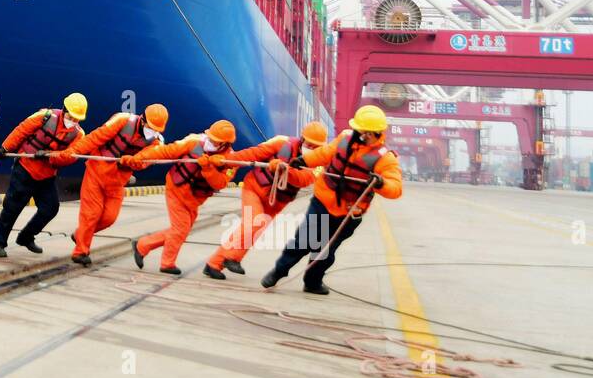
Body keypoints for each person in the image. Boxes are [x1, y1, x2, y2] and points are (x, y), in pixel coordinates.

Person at [261, 105, 402, 295]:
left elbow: (396, 188)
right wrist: (304, 160)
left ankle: (312, 282)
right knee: (303, 241)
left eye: (361, 130)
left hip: (349, 213)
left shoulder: (386, 159)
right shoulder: (344, 139)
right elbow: (325, 153)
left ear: (372, 134)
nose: (357, 132)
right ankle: (278, 272)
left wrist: (380, 183)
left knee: (325, 251)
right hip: (323, 200)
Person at [127, 121, 287, 275]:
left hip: (194, 200)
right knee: (180, 230)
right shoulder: (193, 141)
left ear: (225, 144)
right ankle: (167, 264)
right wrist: (140, 157)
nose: (211, 142)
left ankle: (142, 245)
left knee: (179, 232)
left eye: (216, 141)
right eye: (211, 138)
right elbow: (165, 151)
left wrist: (208, 168)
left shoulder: (230, 160)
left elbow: (220, 183)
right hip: (176, 190)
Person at [203, 121, 329, 280]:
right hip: (254, 188)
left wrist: (284, 169)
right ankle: (232, 258)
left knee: (253, 230)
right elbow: (252, 154)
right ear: (302, 139)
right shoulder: (281, 143)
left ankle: (213, 265)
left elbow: (304, 179)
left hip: (277, 201)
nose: (311, 148)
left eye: (315, 146)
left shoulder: (321, 162)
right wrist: (224, 160)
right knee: (254, 222)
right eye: (309, 144)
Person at [49, 104, 168, 266]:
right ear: (143, 119)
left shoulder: (157, 141)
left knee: (109, 218)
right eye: (151, 127)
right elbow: (95, 138)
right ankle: (81, 251)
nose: (153, 131)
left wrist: (134, 161)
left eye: (157, 129)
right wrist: (71, 153)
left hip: (117, 182)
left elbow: (148, 158)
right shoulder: (123, 120)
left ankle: (79, 235)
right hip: (96, 173)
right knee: (91, 214)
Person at [0, 93, 87, 258]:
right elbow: (21, 130)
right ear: (64, 110)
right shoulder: (45, 117)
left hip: (47, 175)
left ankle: (26, 237)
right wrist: (5, 148)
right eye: (72, 117)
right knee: (12, 207)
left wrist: (50, 155)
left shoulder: (78, 135)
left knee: (51, 208)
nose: (74, 121)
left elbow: (70, 157)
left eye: (78, 119)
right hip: (25, 169)